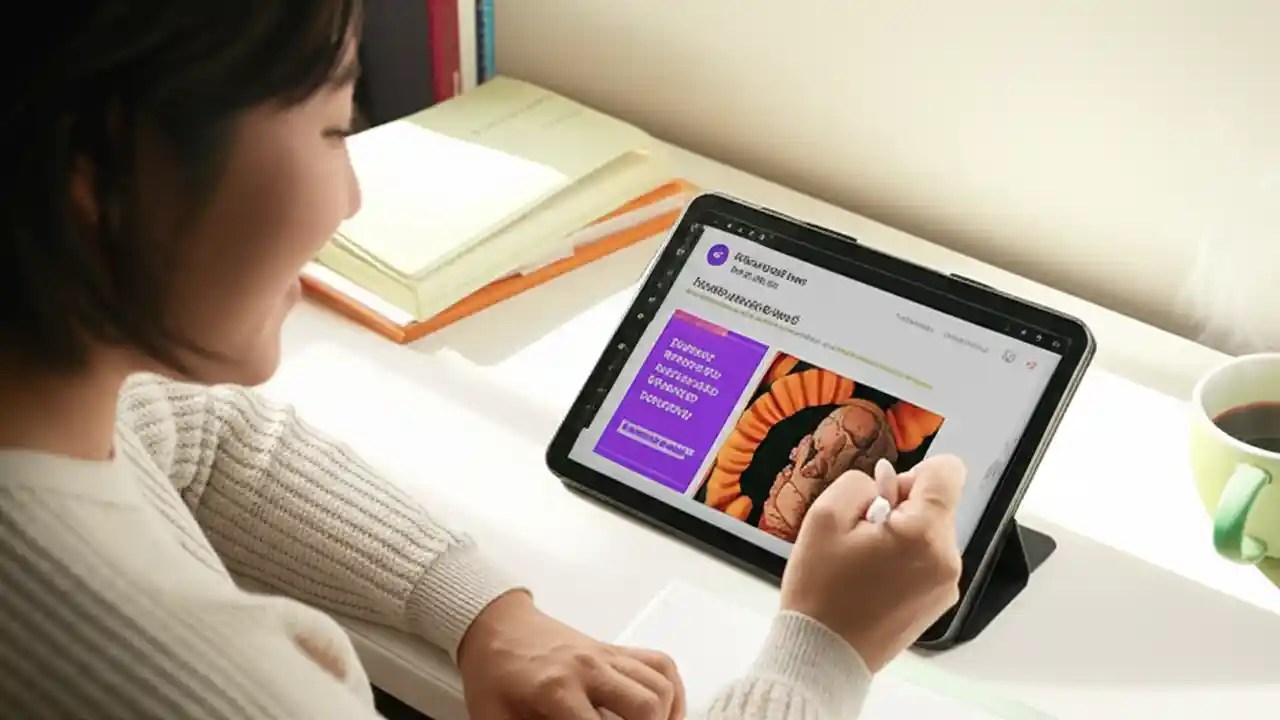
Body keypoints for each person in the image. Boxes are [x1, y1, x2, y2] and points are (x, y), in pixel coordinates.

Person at [0, 3, 966, 718]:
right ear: (107, 171)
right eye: (335, 125)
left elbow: (192, 434)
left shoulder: (53, 402)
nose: (349, 198)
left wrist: (485, 612)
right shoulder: (214, 691)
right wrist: (820, 656)